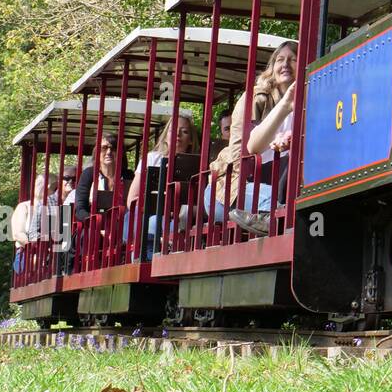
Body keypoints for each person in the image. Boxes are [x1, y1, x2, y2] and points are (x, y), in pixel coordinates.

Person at [208, 41, 297, 237]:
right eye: (280, 60)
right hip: (231, 188)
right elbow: (249, 150)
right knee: (281, 207)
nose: (285, 65)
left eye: (293, 59)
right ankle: (274, 219)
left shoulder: (308, 100)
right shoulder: (257, 98)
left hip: (277, 184)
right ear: (272, 68)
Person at [124, 114, 199, 260]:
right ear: (166, 136)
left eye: (184, 131)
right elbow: (132, 200)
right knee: (152, 224)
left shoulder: (198, 164)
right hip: (153, 215)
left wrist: (177, 212)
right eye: (173, 130)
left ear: (190, 140)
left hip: (182, 218)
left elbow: (200, 203)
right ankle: (146, 263)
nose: (177, 134)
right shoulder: (152, 159)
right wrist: (163, 211)